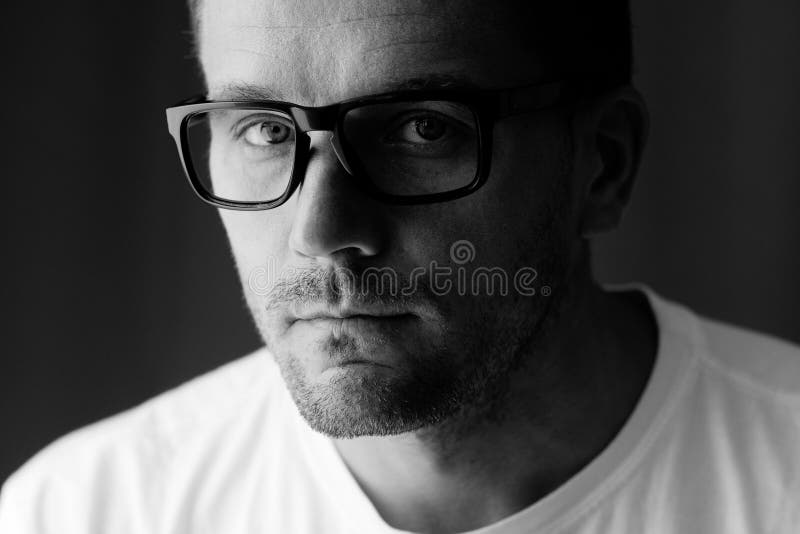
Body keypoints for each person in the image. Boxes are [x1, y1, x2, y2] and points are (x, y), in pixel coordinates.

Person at [1, 0, 799, 532]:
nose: (321, 232)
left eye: (422, 130)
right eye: (263, 130)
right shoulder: (85, 511)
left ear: (603, 165)